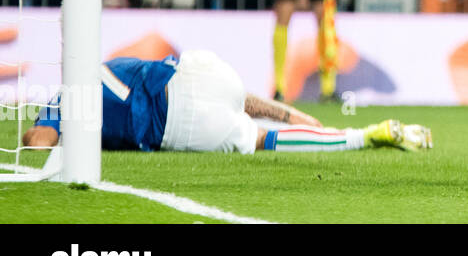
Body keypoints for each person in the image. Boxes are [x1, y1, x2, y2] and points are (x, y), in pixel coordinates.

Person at [22, 51, 431, 154]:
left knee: (261, 142)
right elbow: (246, 101)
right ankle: (309, 122)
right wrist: (291, 112)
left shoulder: (64, 100)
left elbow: (40, 141)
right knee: (246, 105)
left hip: (177, 121)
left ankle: (362, 136)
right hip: (205, 71)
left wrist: (38, 125)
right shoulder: (109, 64)